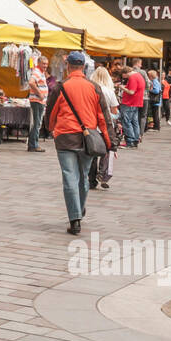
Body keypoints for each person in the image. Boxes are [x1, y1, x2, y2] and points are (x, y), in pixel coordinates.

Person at [46, 51, 113, 235]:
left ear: (68, 66)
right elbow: (103, 117)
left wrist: (50, 127)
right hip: (87, 138)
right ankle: (79, 209)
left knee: (69, 177)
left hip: (65, 137)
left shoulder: (61, 87)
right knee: (83, 176)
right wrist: (110, 141)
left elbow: (51, 112)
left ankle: (74, 218)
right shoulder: (94, 87)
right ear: (83, 67)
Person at [88, 65, 119, 191]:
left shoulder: (91, 89)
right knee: (106, 150)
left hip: (92, 125)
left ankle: (91, 179)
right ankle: (102, 173)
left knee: (92, 152)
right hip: (106, 126)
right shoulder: (109, 91)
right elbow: (114, 110)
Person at [118, 61, 145, 148]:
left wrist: (122, 87)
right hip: (136, 102)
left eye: (123, 75)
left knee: (127, 121)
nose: (123, 77)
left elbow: (131, 92)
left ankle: (130, 140)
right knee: (134, 121)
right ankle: (136, 139)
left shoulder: (132, 77)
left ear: (125, 73)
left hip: (129, 102)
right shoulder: (138, 75)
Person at [26, 59, 50, 151]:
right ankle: (33, 145)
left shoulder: (40, 72)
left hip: (39, 101)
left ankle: (33, 144)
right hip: (37, 101)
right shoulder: (37, 72)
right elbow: (31, 82)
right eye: (43, 63)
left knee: (37, 123)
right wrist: (40, 94)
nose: (45, 65)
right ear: (39, 63)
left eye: (46, 64)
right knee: (37, 123)